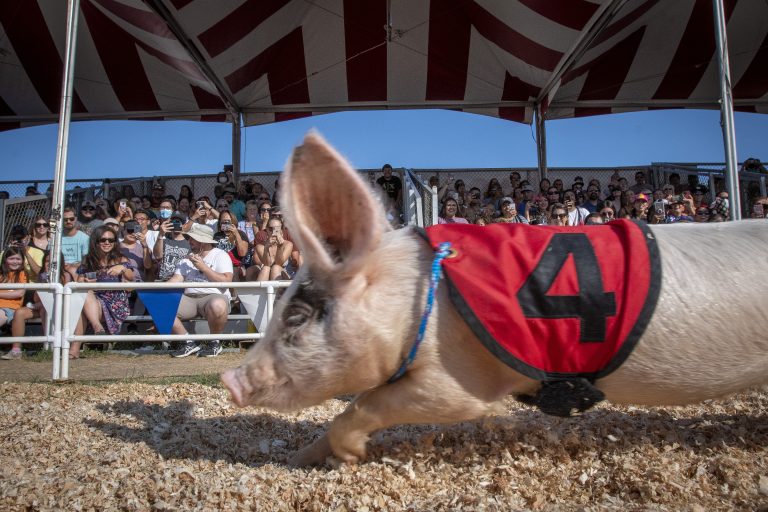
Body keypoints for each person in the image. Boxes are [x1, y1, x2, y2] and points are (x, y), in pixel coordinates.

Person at [70, 226, 137, 359]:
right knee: (84, 294)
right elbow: (78, 283)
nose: (107, 243)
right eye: (103, 240)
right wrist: (86, 283)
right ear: (96, 241)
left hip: (115, 301)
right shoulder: (87, 260)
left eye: (111, 240)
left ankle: (75, 349)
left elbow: (131, 277)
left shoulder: (120, 259)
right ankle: (97, 328)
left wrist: (122, 268)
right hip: (93, 300)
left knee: (83, 304)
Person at [168, 224, 233, 358]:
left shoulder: (221, 255)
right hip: (189, 297)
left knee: (217, 305)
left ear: (203, 241)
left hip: (213, 296)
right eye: (189, 238)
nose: (189, 241)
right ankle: (187, 342)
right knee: (161, 303)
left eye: (193, 238)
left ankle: (214, 342)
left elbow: (226, 281)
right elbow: (176, 280)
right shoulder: (186, 259)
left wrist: (204, 268)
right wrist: (153, 288)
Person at [0, 247, 29, 358]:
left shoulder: (22, 274)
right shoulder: (1, 273)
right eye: (11, 258)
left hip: (10, 308)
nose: (15, 262)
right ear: (5, 260)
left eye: (18, 259)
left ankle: (16, 351)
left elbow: (19, 293)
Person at [249, 216, 294, 281]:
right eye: (270, 229)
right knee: (266, 268)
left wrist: (279, 247)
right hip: (267, 275)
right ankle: (261, 291)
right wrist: (267, 247)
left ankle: (275, 291)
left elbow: (279, 263)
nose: (273, 231)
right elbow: (267, 263)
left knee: (275, 268)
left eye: (277, 229)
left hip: (283, 275)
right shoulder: (260, 246)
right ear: (266, 229)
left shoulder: (288, 244)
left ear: (281, 229)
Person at [153, 209, 190, 282]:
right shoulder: (163, 240)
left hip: (181, 282)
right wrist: (160, 234)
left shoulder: (189, 243)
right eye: (174, 222)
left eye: (179, 222)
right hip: (162, 281)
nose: (176, 224)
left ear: (184, 225)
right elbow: (157, 256)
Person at [214, 211, 250, 280]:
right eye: (223, 222)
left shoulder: (241, 234)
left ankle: (235, 291)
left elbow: (242, 253)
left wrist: (236, 234)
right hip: (220, 265)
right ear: (220, 223)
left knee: (233, 271)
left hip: (236, 266)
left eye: (228, 221)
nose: (226, 224)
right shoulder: (217, 236)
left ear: (233, 222)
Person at [60, 206, 90, 277]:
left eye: (71, 219)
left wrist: (71, 266)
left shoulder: (84, 238)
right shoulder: (57, 237)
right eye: (65, 220)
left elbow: (85, 260)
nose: (68, 221)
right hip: (60, 268)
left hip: (77, 270)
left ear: (76, 219)